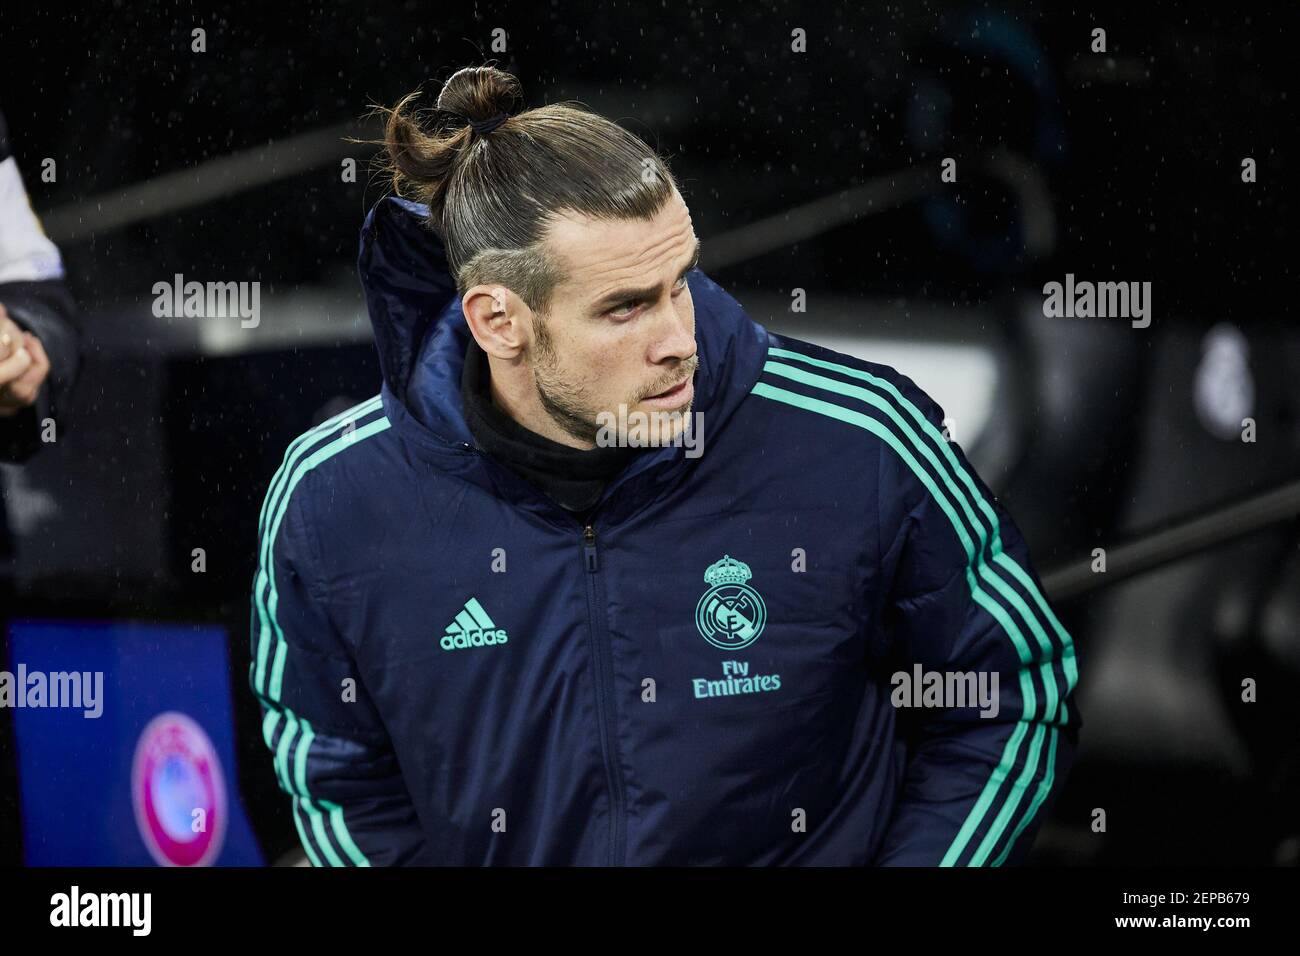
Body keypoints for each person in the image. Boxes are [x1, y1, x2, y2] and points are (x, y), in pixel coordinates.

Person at [250, 66, 1080, 865]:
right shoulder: (332, 500)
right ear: (498, 320)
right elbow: (339, 777)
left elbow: (1009, 699)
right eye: (625, 307)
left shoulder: (861, 436)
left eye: (678, 282)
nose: (679, 339)